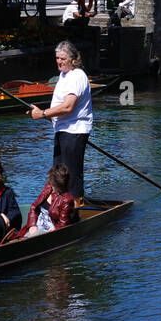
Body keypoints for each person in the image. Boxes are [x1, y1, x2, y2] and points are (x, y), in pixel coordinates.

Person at [28, 40, 93, 202]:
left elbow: (68, 106)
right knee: (59, 173)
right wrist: (43, 113)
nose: (59, 61)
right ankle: (61, 207)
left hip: (74, 131)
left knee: (71, 173)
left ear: (73, 59)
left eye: (63, 58)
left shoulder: (77, 76)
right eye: (57, 58)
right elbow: (61, 107)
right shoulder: (64, 75)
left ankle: (76, 208)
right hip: (63, 130)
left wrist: (43, 114)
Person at [22, 163, 79, 237]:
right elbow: (34, 207)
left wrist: (55, 229)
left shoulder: (66, 199)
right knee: (24, 235)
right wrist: (32, 225)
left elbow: (63, 224)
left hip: (49, 230)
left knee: (31, 237)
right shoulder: (48, 187)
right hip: (37, 224)